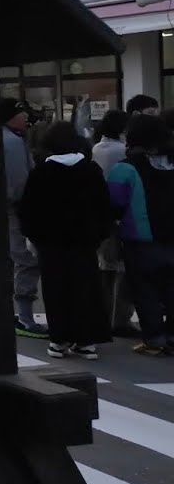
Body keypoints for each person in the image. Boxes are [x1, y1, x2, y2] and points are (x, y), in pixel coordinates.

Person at [18, 122, 113, 360]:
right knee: (86, 288)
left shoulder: (41, 172)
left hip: (51, 243)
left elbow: (28, 210)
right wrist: (100, 234)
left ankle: (59, 340)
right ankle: (86, 340)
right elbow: (103, 207)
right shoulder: (90, 170)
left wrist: (33, 236)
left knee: (56, 289)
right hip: (84, 241)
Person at [107, 113, 174, 356]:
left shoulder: (125, 169)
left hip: (140, 239)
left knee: (145, 289)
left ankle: (154, 339)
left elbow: (113, 203)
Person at [1, 98, 46, 338]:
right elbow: (19, 183)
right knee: (26, 260)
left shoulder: (0, 137)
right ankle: (26, 317)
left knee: (8, 261)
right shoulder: (12, 142)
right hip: (15, 210)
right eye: (21, 113)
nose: (26, 117)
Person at [92, 109, 137, 336]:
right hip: (120, 213)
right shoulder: (121, 152)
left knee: (105, 268)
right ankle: (120, 318)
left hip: (100, 214)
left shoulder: (96, 149)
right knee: (122, 269)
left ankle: (103, 315)